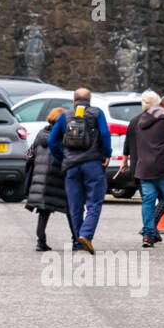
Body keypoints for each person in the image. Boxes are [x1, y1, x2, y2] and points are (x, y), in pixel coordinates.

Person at [48, 88, 111, 255]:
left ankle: (78, 242)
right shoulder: (97, 114)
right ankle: (86, 234)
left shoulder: (64, 117)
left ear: (73, 101)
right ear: (90, 101)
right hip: (93, 164)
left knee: (75, 205)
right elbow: (105, 134)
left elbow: (52, 141)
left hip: (72, 167)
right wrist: (107, 154)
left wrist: (63, 158)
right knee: (94, 203)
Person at [123, 91, 164, 248]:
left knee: (148, 202)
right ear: (158, 104)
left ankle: (148, 235)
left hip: (145, 167)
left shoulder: (139, 121)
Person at [24, 107, 74, 251]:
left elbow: (30, 155)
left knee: (43, 211)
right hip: (59, 179)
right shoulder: (64, 138)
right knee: (71, 209)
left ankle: (41, 242)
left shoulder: (40, 135)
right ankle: (77, 238)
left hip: (40, 179)